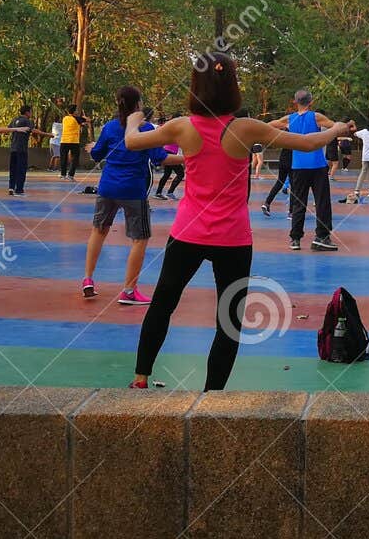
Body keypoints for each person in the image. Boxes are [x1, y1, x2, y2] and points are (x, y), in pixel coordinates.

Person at [123, 54, 351, 390]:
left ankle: (141, 377)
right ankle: (212, 393)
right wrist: (338, 128)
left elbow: (132, 142)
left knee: (163, 303)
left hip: (188, 232)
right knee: (228, 321)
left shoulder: (182, 127)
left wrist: (133, 119)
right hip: (233, 239)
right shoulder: (245, 128)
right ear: (232, 86)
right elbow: (309, 143)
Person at [83, 85, 179, 303]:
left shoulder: (108, 127)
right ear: (138, 105)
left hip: (107, 187)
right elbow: (160, 158)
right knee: (140, 239)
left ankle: (88, 279)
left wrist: (93, 149)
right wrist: (188, 159)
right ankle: (129, 290)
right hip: (133, 190)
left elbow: (97, 153)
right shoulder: (145, 131)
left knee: (98, 231)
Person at [271, 89, 340, 252]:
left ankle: (295, 239)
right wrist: (347, 126)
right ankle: (322, 237)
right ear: (311, 102)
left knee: (298, 203)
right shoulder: (316, 117)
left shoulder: (289, 119)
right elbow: (335, 127)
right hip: (317, 166)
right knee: (322, 202)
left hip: (298, 167)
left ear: (295, 102)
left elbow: (268, 126)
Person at [6, 106, 38, 195]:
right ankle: (19, 189)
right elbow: (34, 131)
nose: (31, 114)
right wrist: (48, 134)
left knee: (13, 169)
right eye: (31, 112)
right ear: (27, 112)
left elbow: (7, 129)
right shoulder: (27, 121)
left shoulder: (14, 120)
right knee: (21, 169)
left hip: (13, 148)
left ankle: (11, 187)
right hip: (22, 149)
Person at [59, 105, 87, 178]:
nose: (77, 111)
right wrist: (84, 117)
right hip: (74, 141)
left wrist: (82, 122)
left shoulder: (64, 118)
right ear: (74, 111)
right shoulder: (77, 118)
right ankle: (71, 174)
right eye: (76, 110)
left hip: (64, 140)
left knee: (63, 158)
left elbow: (80, 123)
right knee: (75, 158)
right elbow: (87, 120)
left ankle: (63, 174)